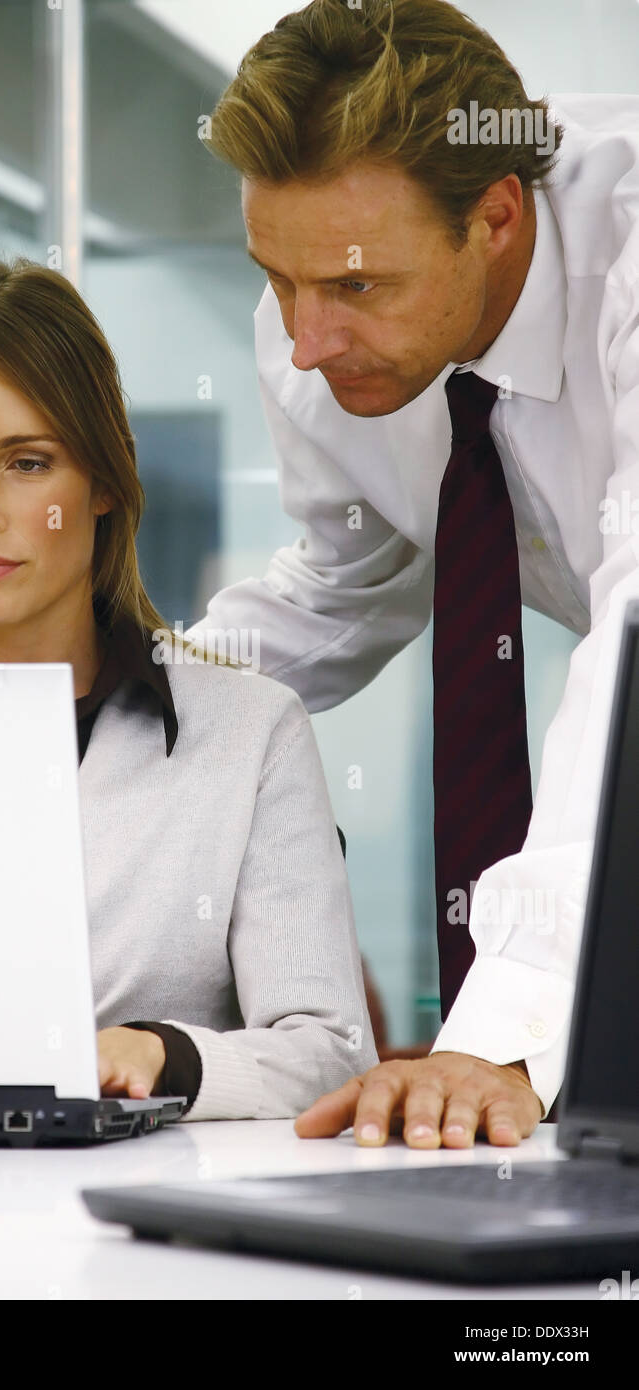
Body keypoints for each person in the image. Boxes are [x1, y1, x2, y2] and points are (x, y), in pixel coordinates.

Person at [185, 0, 639, 1145]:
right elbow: (350, 582)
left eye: (356, 288)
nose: (302, 340)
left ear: (496, 215)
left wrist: (507, 1018)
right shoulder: (315, 331)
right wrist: (113, 681)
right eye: (276, 278)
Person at [0, 256, 377, 1121]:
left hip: (138, 1236)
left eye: (26, 464)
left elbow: (329, 1053)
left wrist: (162, 1052)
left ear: (101, 481)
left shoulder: (250, 732)